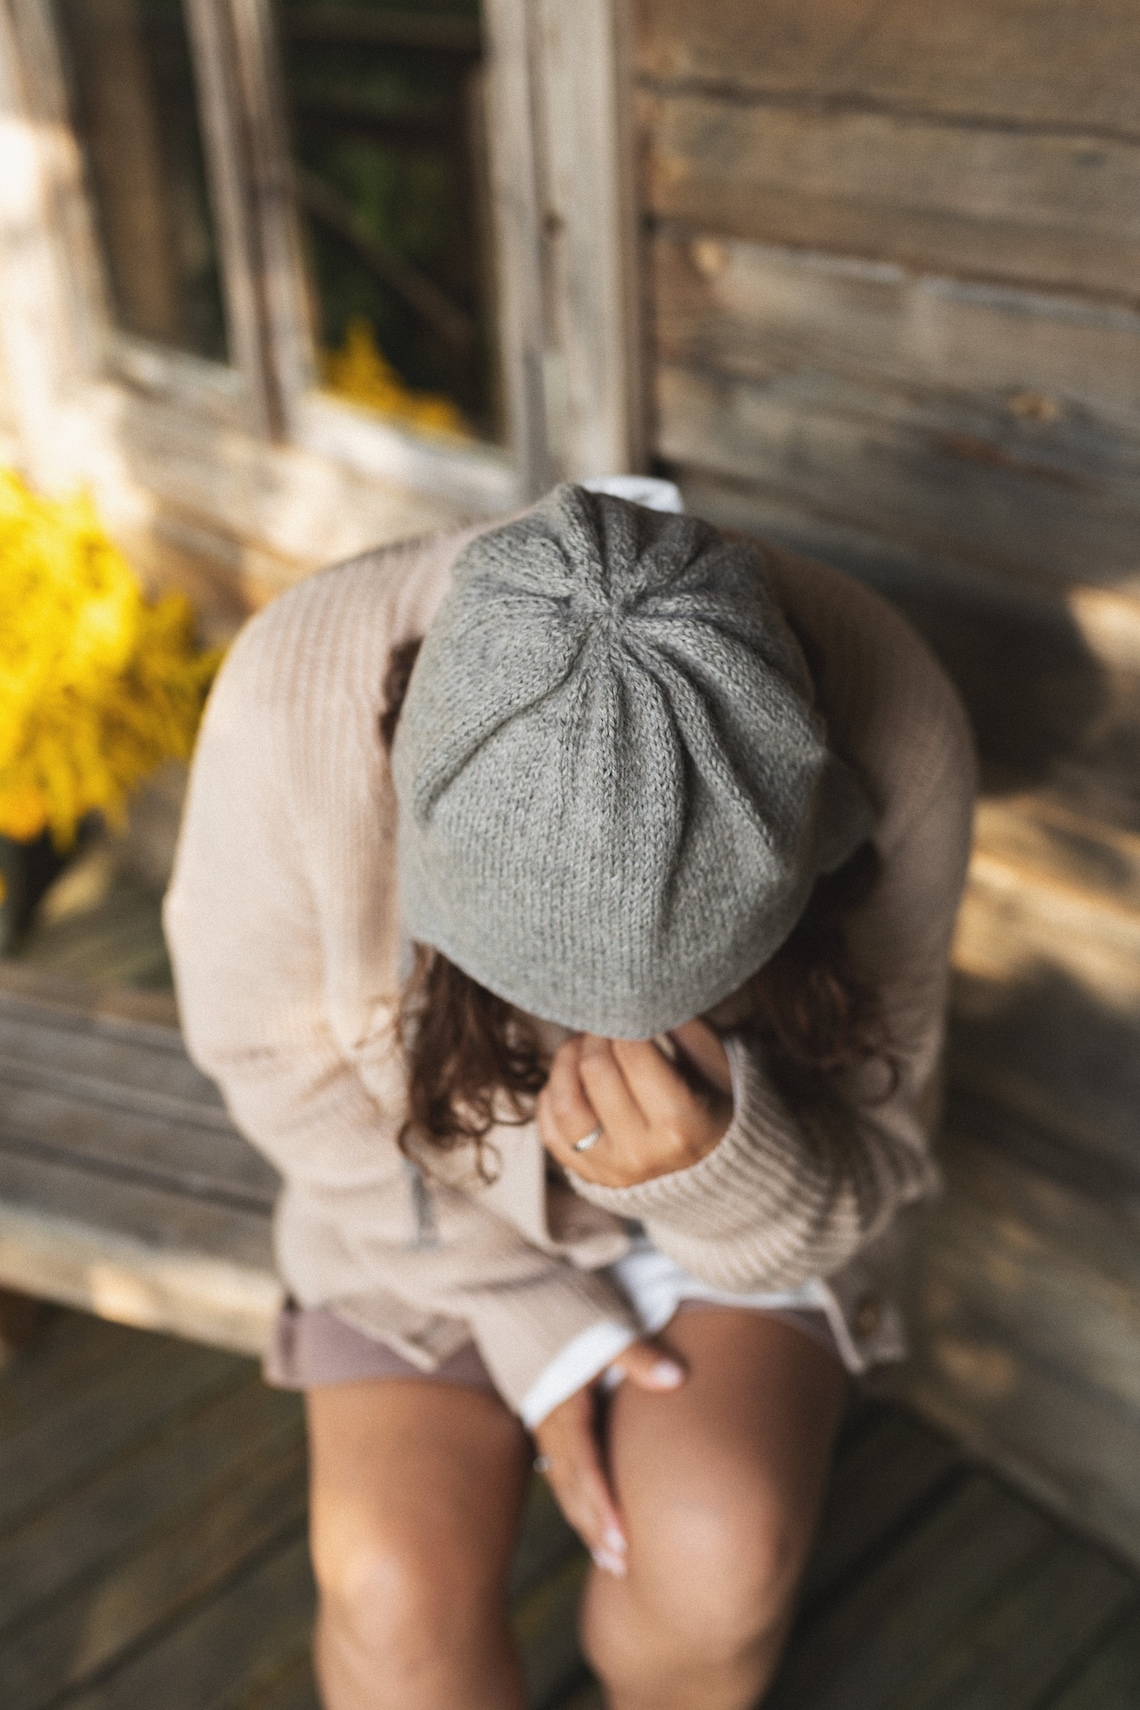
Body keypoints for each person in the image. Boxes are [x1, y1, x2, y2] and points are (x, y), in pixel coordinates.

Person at [164, 481, 975, 1710]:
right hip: (414, 1193)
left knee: (719, 1548)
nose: (600, 1040)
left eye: (693, 983)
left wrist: (719, 1173)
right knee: (389, 1591)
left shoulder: (900, 722)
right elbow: (275, 1057)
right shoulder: (293, 703)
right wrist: (531, 1314)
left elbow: (882, 1143)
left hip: (756, 1202)